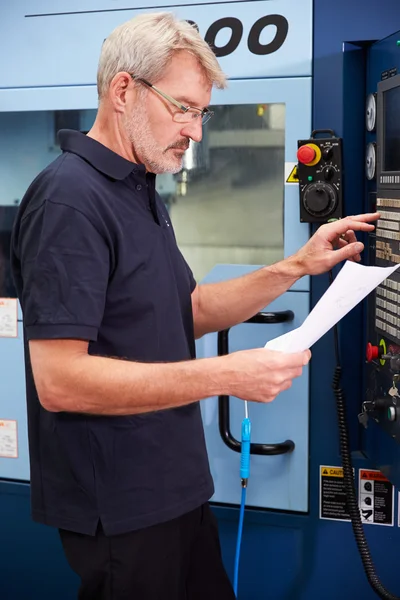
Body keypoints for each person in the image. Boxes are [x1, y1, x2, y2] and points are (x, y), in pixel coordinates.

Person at [10, 11, 379, 600]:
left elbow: (188, 308)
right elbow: (59, 380)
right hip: (122, 505)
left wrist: (296, 267)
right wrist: (226, 376)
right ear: (124, 90)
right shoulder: (69, 201)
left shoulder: (136, 188)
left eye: (201, 113)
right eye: (183, 107)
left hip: (175, 487)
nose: (196, 131)